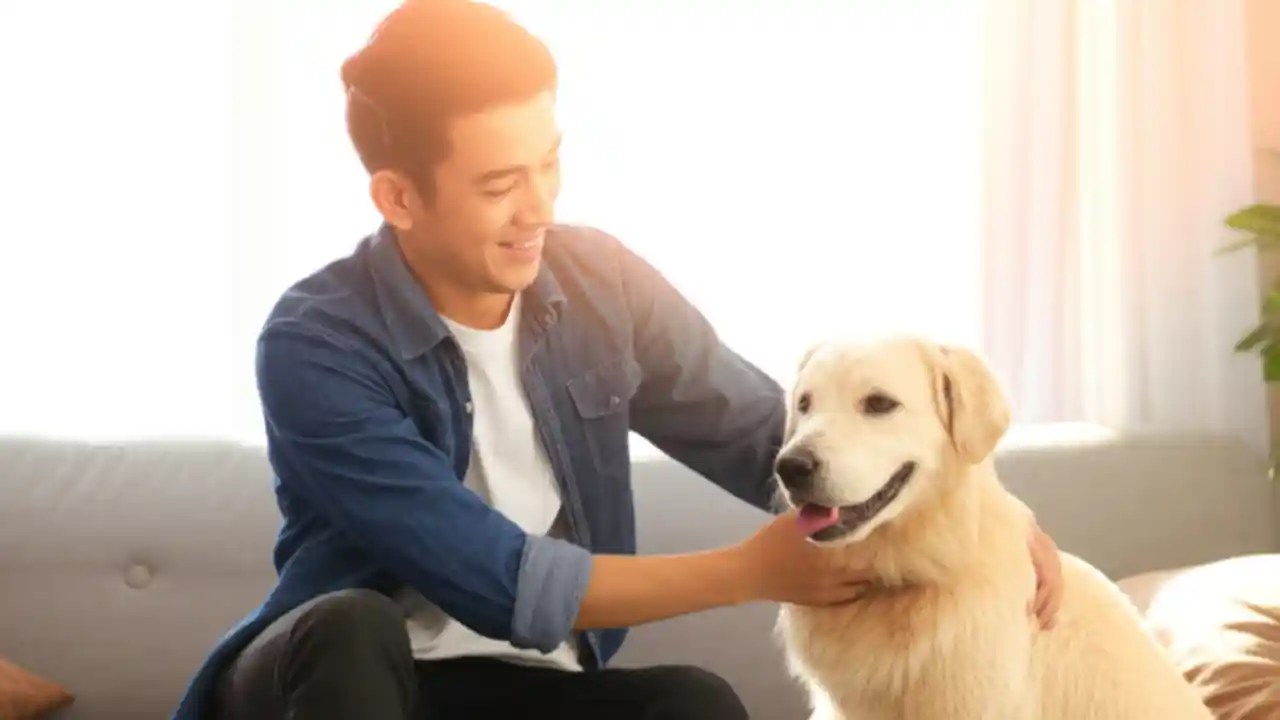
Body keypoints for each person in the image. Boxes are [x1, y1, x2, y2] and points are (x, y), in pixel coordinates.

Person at [173, 2, 1064, 718]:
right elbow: (491, 574)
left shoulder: (598, 282)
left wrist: (991, 518)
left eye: (548, 165)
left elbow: (772, 438)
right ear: (398, 196)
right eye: (498, 185)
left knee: (695, 705)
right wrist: (745, 573)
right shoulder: (315, 343)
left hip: (513, 686)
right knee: (352, 629)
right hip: (324, 685)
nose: (538, 209)